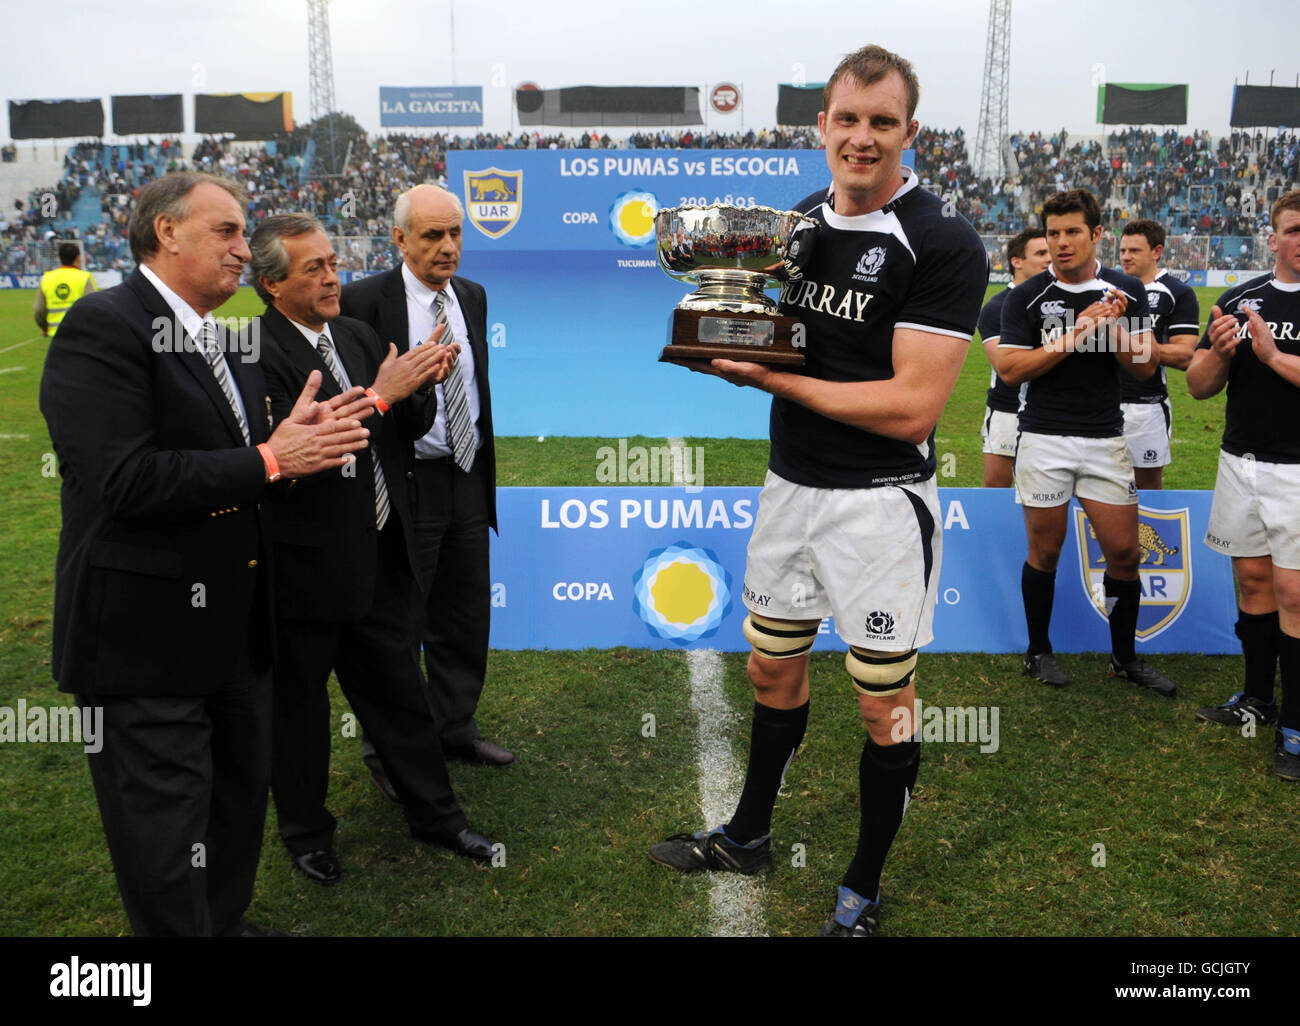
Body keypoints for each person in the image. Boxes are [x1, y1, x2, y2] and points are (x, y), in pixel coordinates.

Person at [647, 45, 989, 936]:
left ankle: (862, 887)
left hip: (878, 506)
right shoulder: (797, 220)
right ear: (824, 128)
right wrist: (732, 347)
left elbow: (913, 408)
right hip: (789, 487)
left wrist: (771, 383)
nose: (863, 138)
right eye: (847, 120)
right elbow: (785, 339)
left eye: (882, 122)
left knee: (883, 705)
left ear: (910, 132)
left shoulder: (942, 242)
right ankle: (750, 835)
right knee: (770, 666)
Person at [38, 172, 372, 936]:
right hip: (145, 646)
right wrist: (270, 460)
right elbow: (124, 480)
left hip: (235, 634)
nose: (240, 247)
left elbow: (250, 474)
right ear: (166, 233)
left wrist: (300, 448)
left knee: (234, 809)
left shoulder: (226, 341)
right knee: (165, 840)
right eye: (225, 230)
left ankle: (223, 921)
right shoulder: (104, 325)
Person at [251, 215, 496, 884]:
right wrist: (385, 398)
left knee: (400, 698)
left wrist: (421, 387)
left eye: (333, 262)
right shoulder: (251, 352)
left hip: (380, 555)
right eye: (313, 269)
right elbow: (295, 452)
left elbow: (396, 430)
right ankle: (307, 835)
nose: (333, 276)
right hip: (304, 570)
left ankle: (437, 817)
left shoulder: (356, 335)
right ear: (272, 284)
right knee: (299, 714)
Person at [341, 184, 514, 768]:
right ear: (399, 239)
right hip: (403, 483)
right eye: (433, 235)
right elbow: (355, 399)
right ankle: (386, 748)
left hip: (466, 474)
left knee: (464, 613)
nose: (448, 247)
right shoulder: (361, 301)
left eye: (455, 234)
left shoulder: (473, 295)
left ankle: (454, 727)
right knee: (397, 622)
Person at [998, 188, 1177, 695]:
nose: (1060, 242)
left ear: (1097, 234)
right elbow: (1009, 369)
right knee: (1046, 550)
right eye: (1052, 233)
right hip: (1044, 437)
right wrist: (1073, 335)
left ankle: (1124, 657)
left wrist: (1115, 327)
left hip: (1104, 437)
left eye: (1072, 231)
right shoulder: (1026, 295)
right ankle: (1038, 651)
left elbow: (1144, 366)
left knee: (1124, 553)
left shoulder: (1124, 289)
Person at [1187, 189, 1300, 780]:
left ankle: (1296, 727)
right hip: (1241, 462)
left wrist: (1273, 355)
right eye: (1294, 229)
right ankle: (1258, 698)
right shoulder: (1238, 298)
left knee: (1295, 596)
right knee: (1252, 581)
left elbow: (1284, 365)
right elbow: (1199, 386)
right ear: (1274, 236)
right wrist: (1224, 354)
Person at [1117, 219, 1200, 489]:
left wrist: (1130, 346)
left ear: (1156, 251)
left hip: (1146, 407)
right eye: (1123, 250)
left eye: (1135, 250)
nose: (1126, 257)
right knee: (1095, 487)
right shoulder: (1107, 289)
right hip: (1101, 402)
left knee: (1147, 491)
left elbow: (1185, 355)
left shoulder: (1177, 293)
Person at [978, 229, 1051, 487]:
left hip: (1050, 410)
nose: (1049, 259)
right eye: (1041, 253)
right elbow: (1004, 366)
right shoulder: (996, 307)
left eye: (1050, 252)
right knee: (997, 492)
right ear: (1016, 261)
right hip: (1007, 411)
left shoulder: (1059, 301)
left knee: (1047, 492)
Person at [34, 241, 95, 336]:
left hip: (55, 333)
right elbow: (93, 307)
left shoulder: (46, 277)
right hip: (79, 332)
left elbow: (39, 310)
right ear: (78, 257)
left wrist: (44, 327)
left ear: (60, 258)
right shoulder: (84, 277)